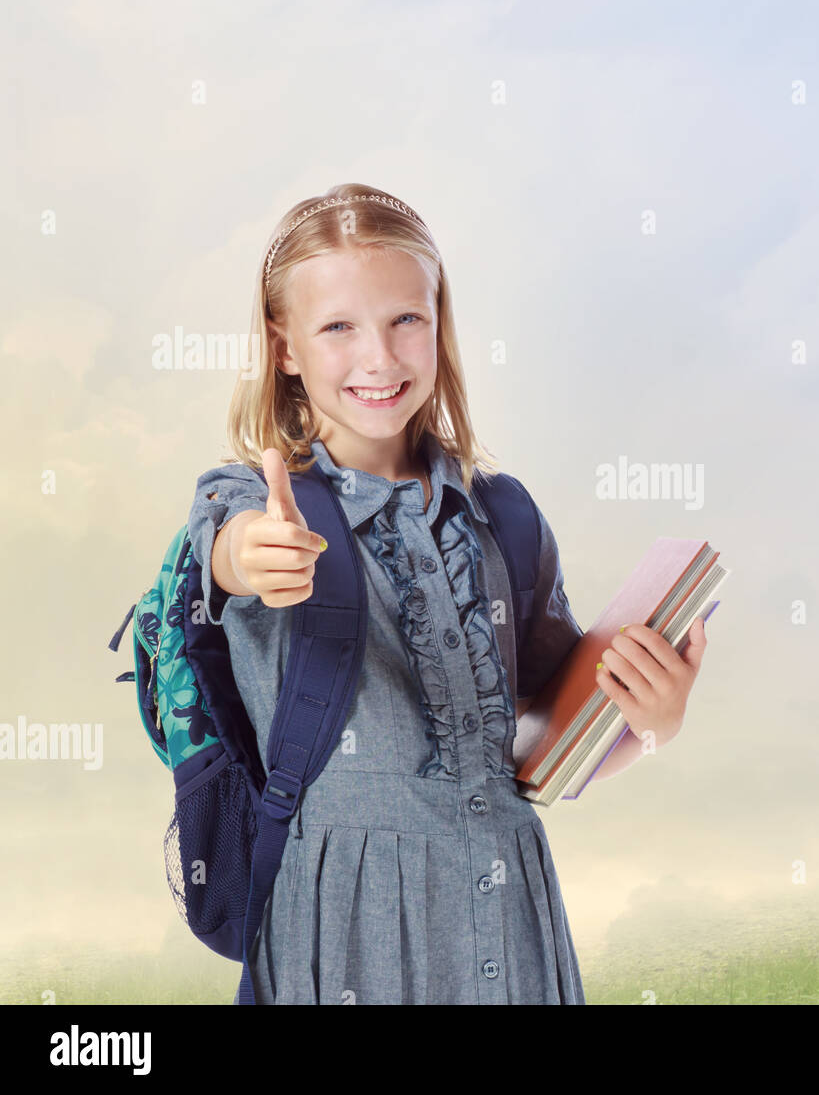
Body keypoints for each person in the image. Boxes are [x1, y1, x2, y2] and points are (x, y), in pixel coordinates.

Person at [187, 184, 708, 1004]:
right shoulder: (248, 498)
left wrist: (650, 724)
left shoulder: (503, 514)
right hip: (344, 923)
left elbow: (543, 741)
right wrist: (250, 558)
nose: (380, 357)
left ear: (440, 322)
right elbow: (221, 552)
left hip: (512, 917)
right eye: (338, 328)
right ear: (283, 346)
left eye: (406, 319)